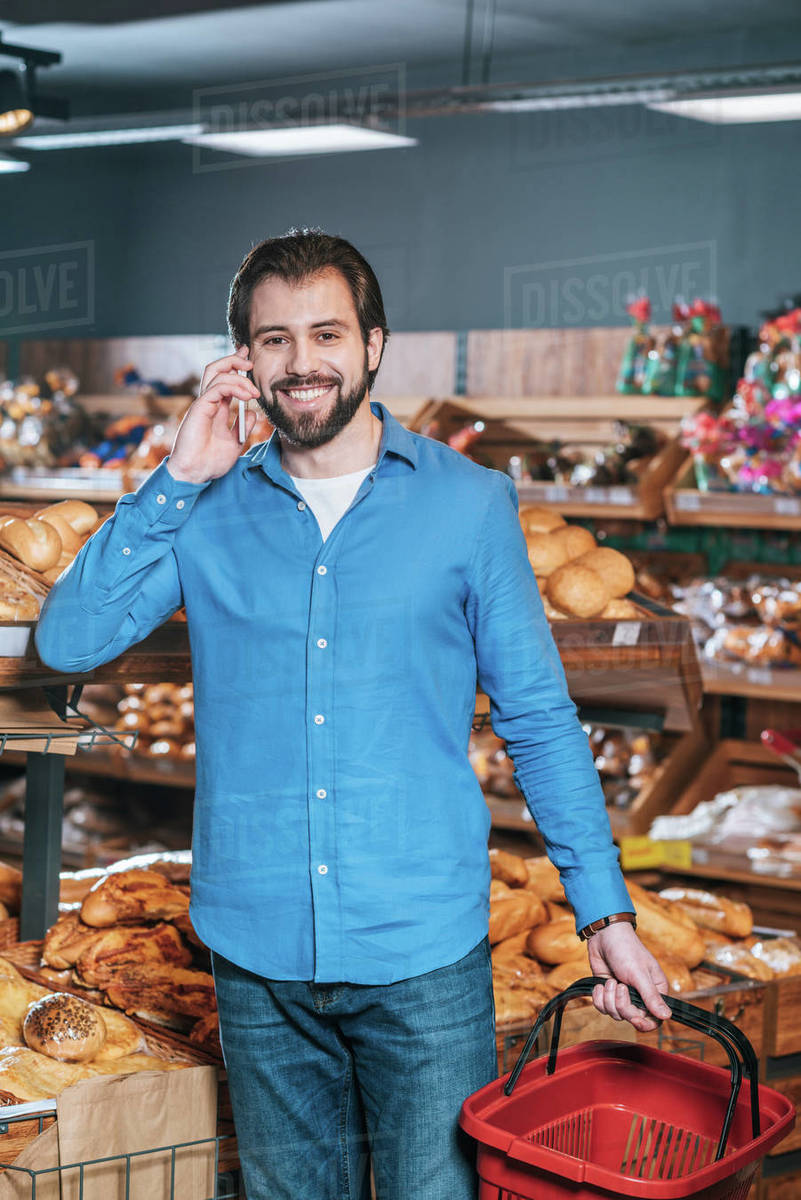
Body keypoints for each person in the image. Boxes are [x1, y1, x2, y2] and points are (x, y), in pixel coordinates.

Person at [35, 228, 671, 1200]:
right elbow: (68, 642)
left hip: (424, 955)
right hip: (256, 957)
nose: (302, 362)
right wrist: (178, 476)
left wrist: (603, 910)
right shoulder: (204, 509)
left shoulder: (468, 504)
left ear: (374, 344)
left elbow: (539, 718)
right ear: (243, 360)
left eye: (326, 333)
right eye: (274, 339)